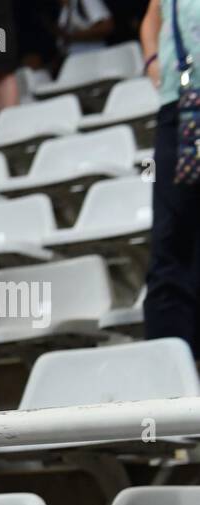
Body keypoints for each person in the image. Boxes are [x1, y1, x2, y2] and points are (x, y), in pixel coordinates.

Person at [142, 0, 200, 355]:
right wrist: (152, 61)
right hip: (180, 110)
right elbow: (152, 17)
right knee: (171, 239)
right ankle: (172, 370)